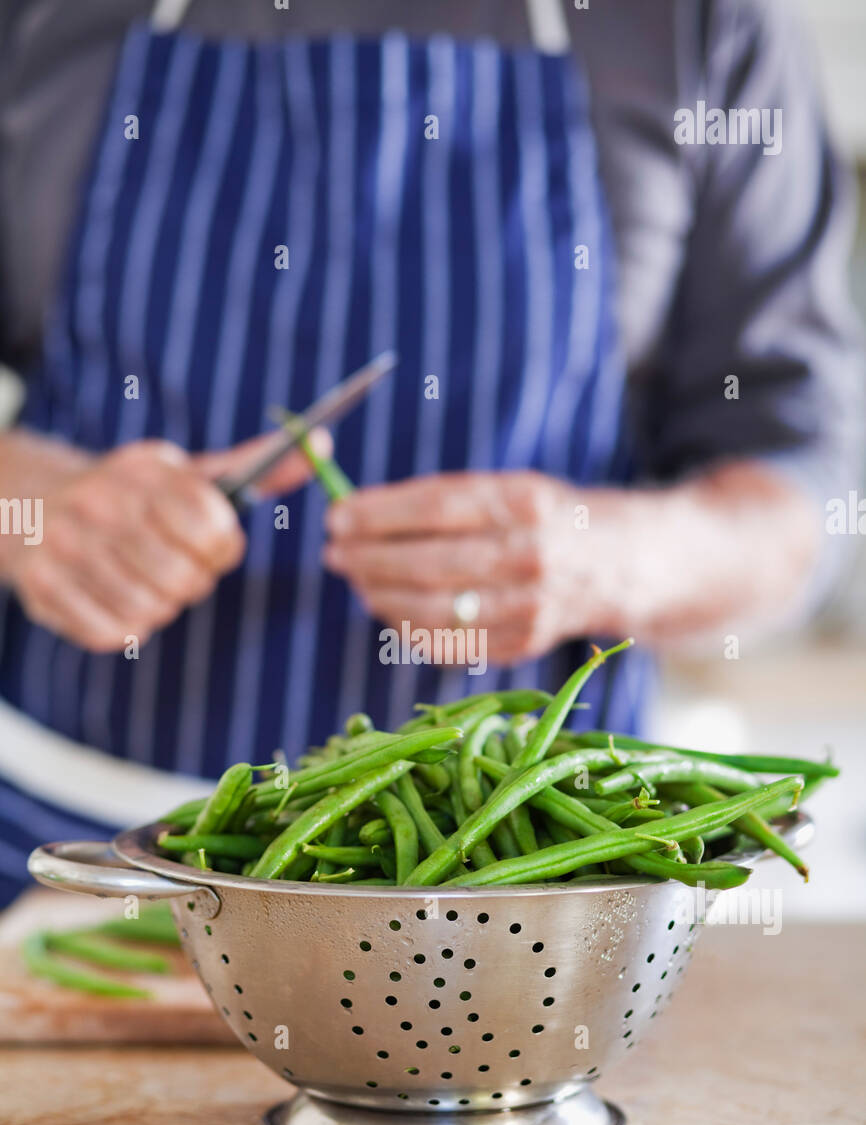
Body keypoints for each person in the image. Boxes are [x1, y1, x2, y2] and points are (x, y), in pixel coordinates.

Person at [0, 0, 860, 906]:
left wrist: (608, 558)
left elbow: (807, 484)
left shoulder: (697, 22)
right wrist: (28, 503)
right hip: (80, 854)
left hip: (525, 885)